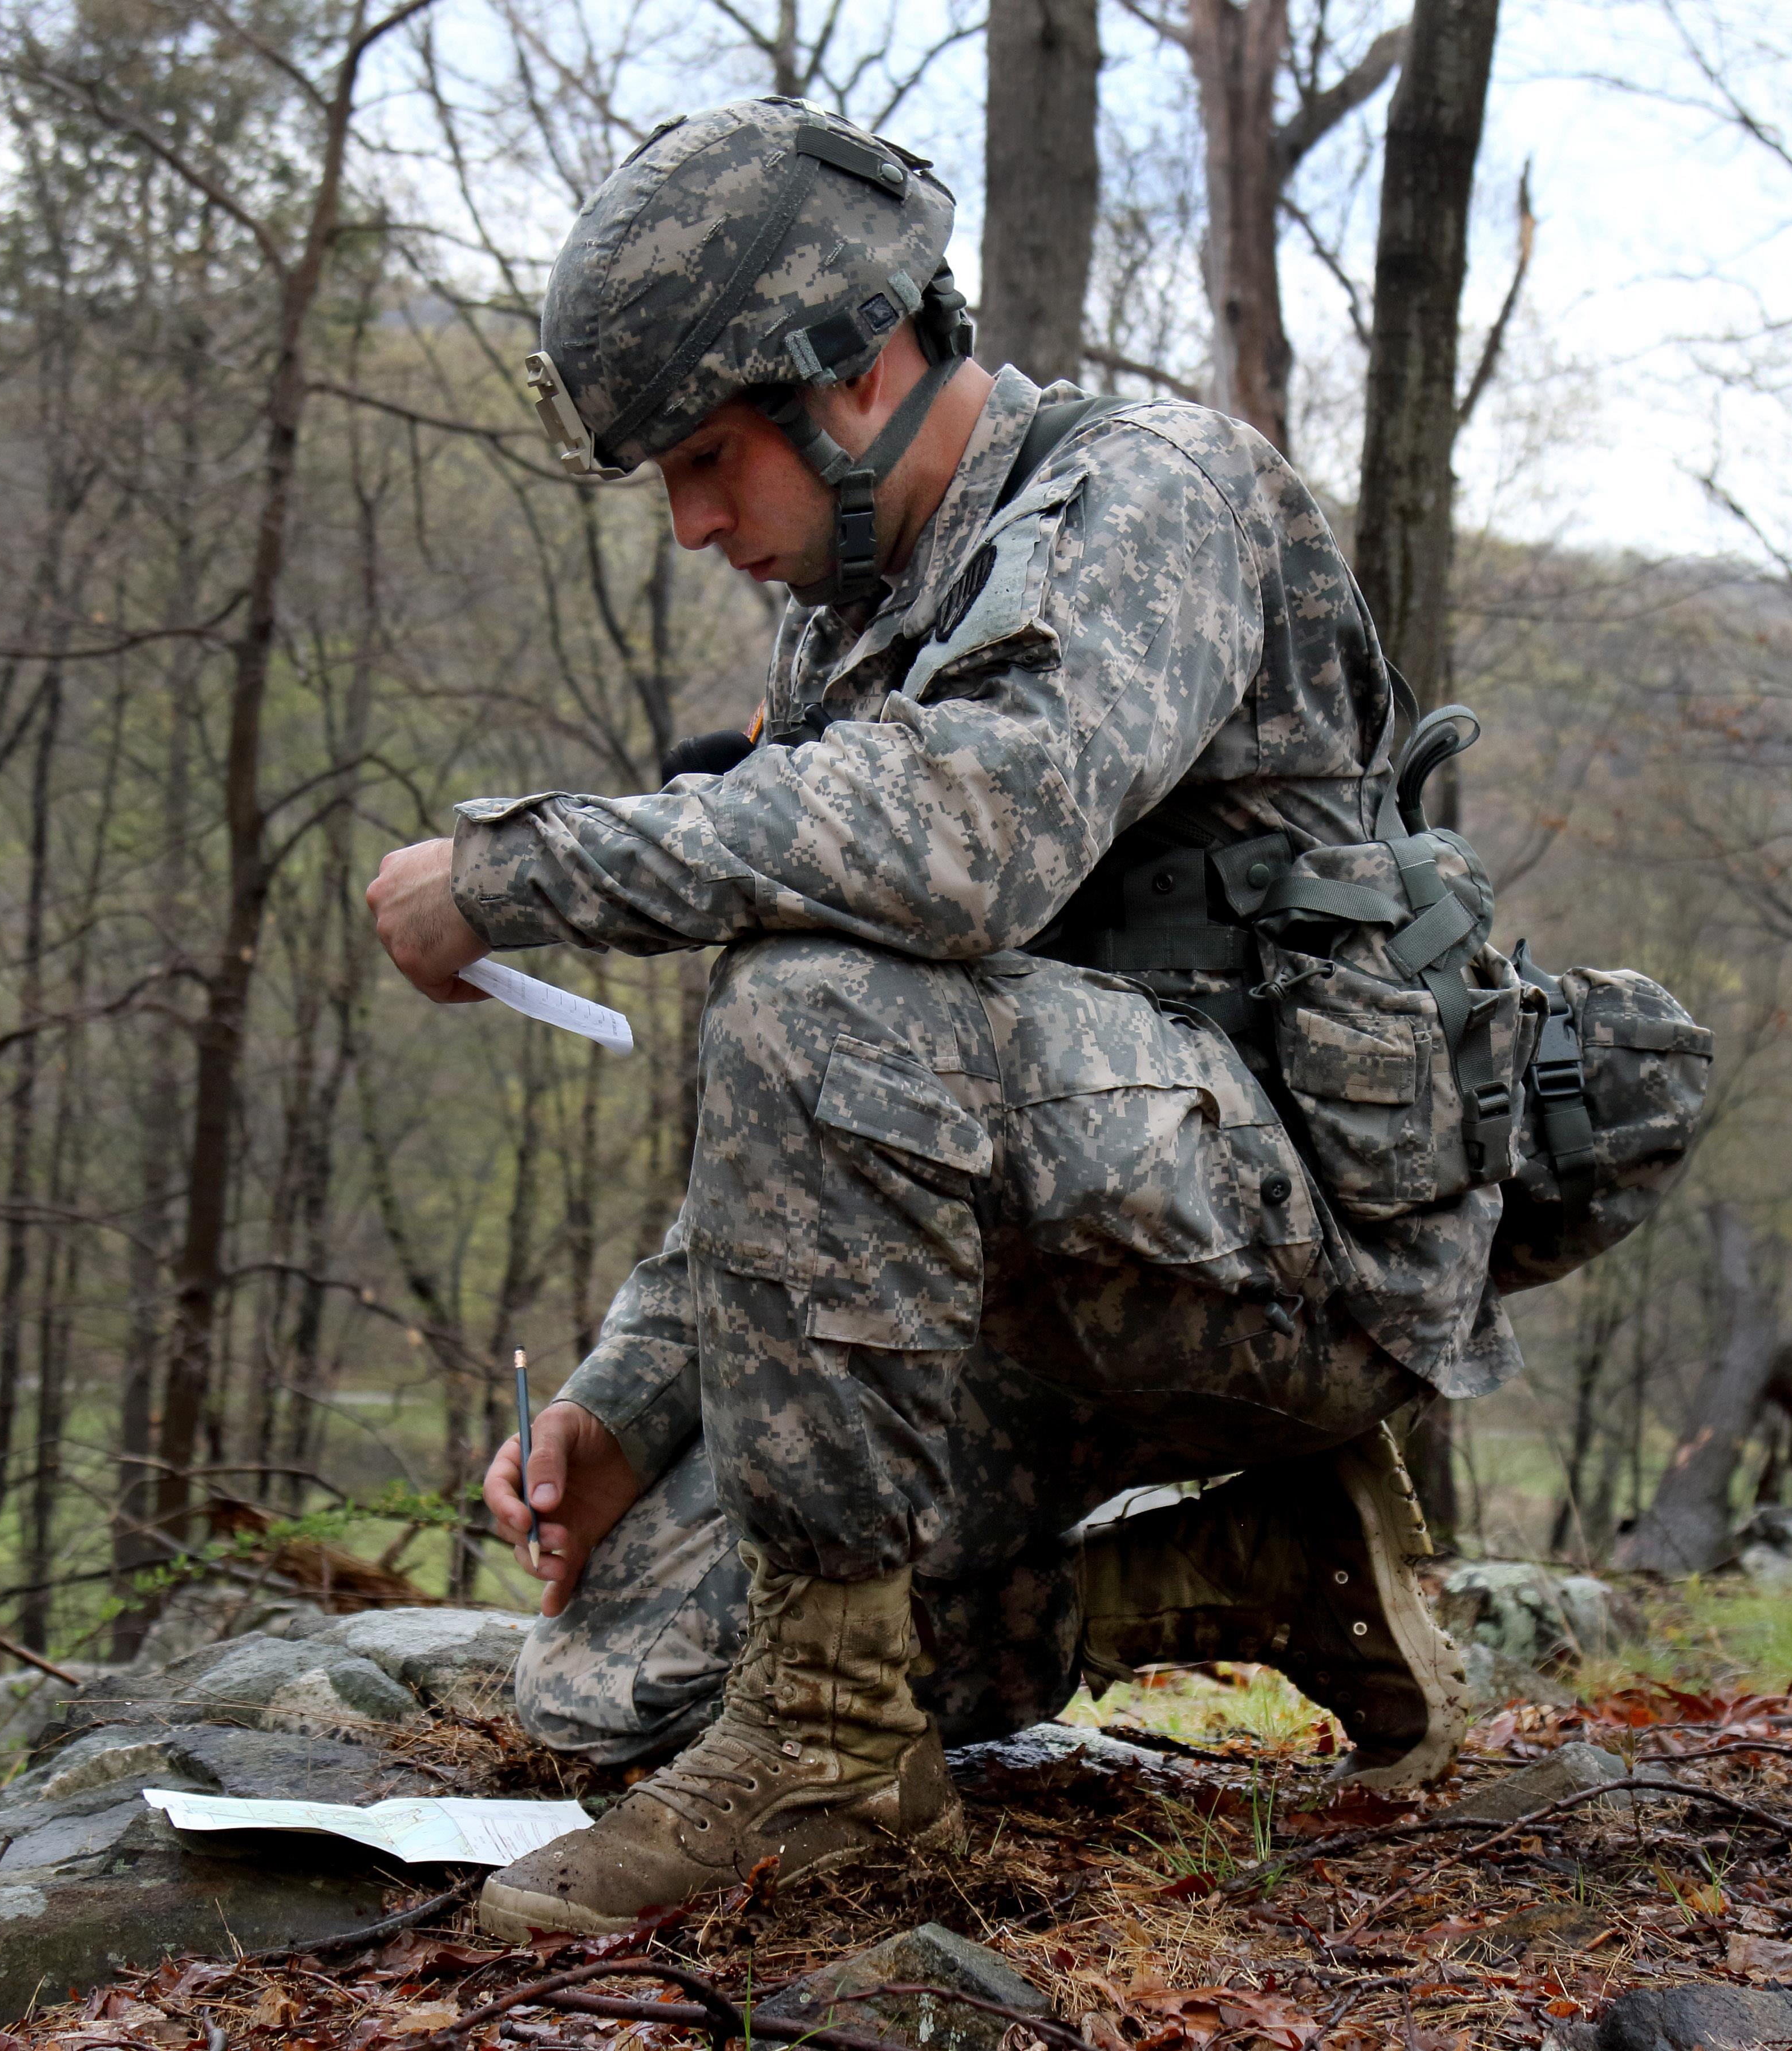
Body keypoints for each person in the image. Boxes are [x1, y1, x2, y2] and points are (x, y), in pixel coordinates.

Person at [367, 95, 1516, 1941]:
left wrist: (516, 870)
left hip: (1292, 1251)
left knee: (811, 995)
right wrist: (622, 1403)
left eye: (711, 455)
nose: (688, 521)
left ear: (861, 363)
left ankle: (832, 1752)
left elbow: (962, 848)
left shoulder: (1156, 497)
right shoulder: (856, 605)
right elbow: (814, 1127)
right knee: (611, 1686)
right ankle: (1251, 1568)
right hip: (1029, 1245)